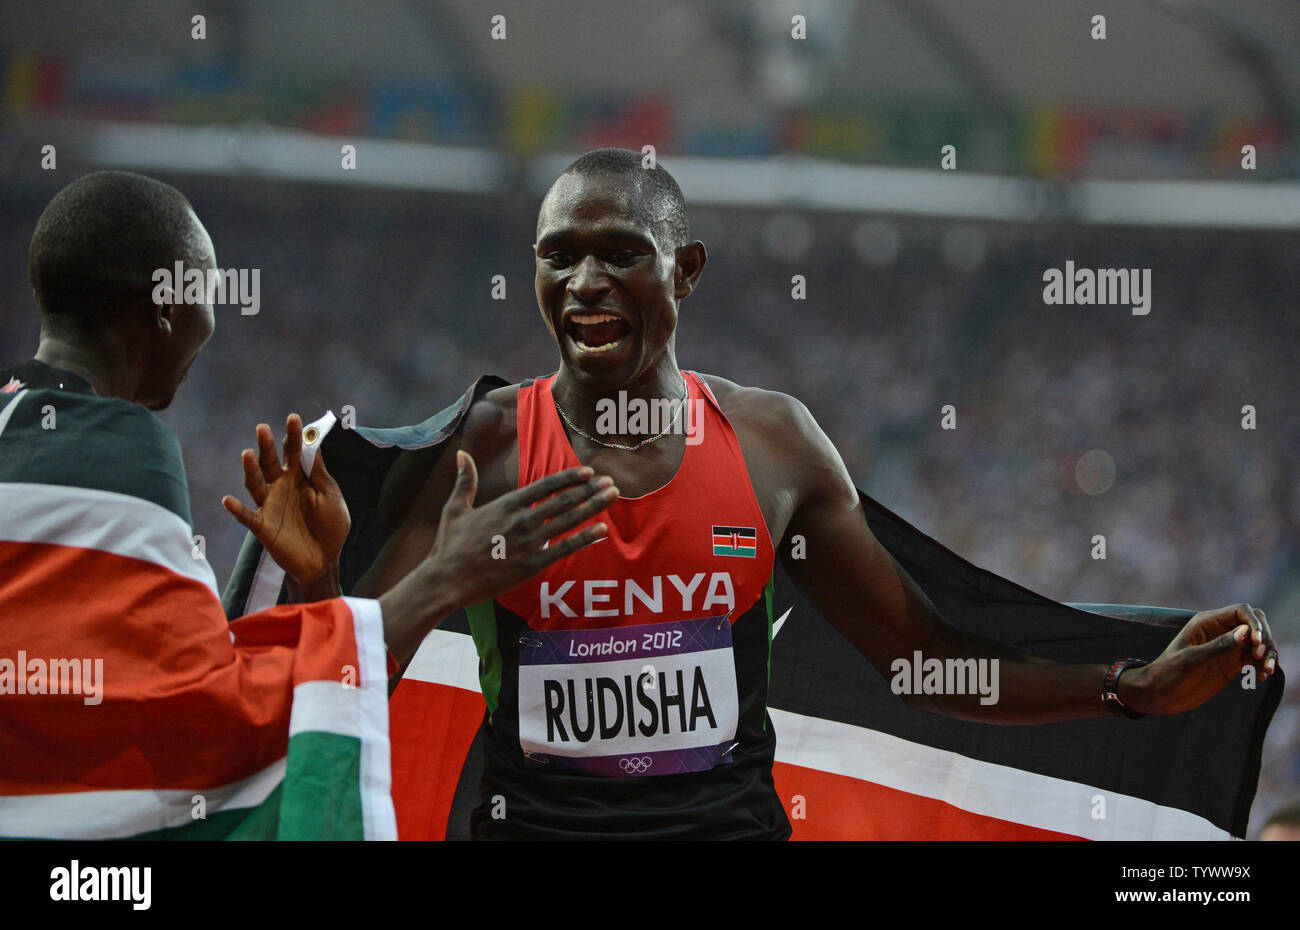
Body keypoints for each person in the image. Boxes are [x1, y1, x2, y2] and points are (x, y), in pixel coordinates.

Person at [349, 148, 1281, 840]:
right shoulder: (488, 448)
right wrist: (413, 581)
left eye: (620, 253)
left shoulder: (772, 447)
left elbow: (922, 660)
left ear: (688, 269)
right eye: (558, 256)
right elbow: (351, 680)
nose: (585, 283)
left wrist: (1125, 689)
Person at [0, 170, 613, 838]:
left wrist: (317, 582)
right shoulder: (116, 456)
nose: (213, 319)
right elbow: (222, 732)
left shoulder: (36, 434)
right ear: (165, 311)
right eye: (207, 294)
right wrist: (446, 576)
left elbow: (162, 695)